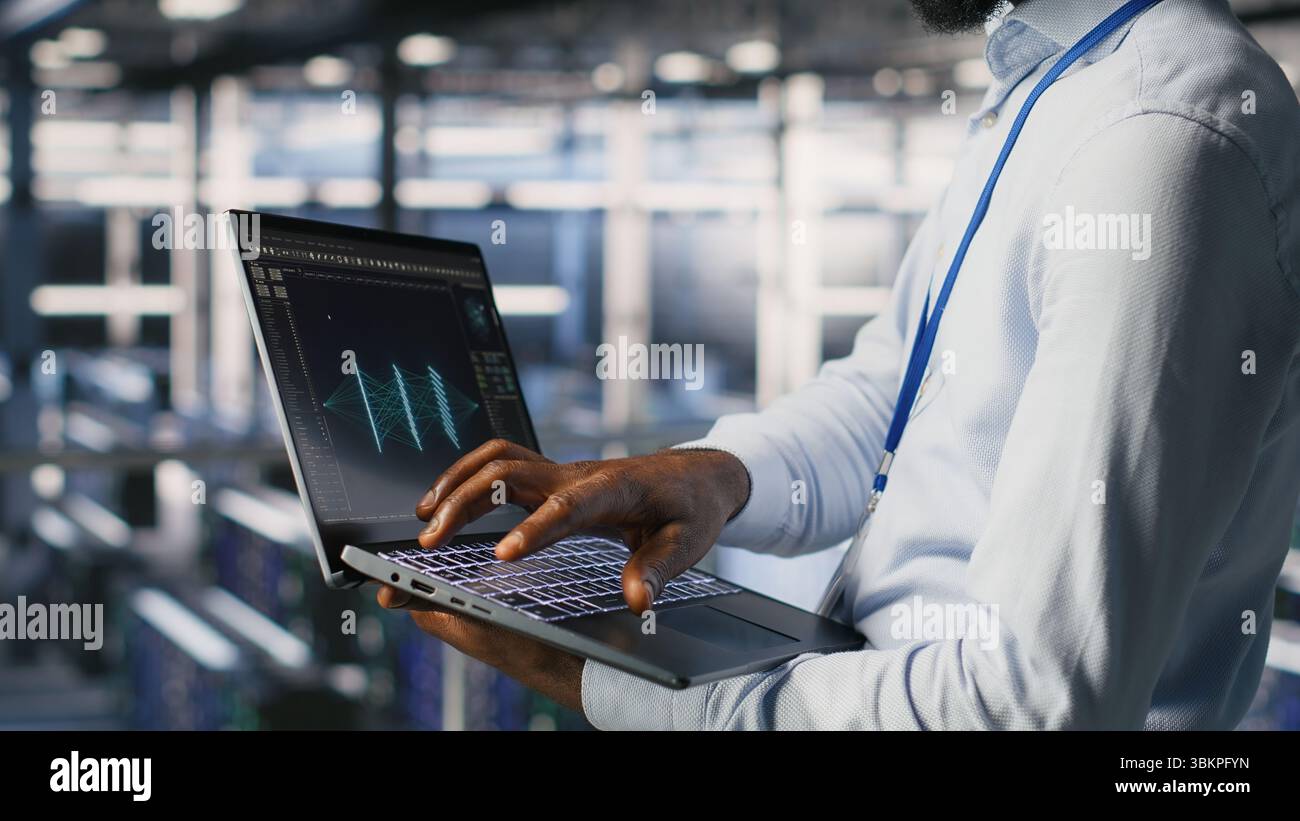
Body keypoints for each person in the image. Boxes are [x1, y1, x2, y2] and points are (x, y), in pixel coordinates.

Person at [378, 0, 1300, 730]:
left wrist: (611, 685)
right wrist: (714, 477)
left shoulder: (1154, 138)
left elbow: (1025, 708)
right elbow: (896, 393)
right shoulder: (1051, 92)